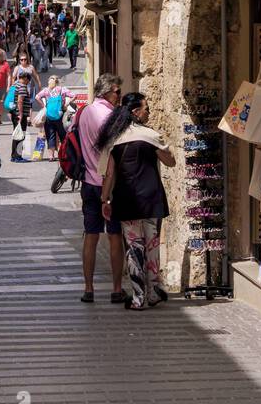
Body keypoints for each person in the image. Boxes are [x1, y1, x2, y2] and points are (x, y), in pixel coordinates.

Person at [98, 93, 176, 310]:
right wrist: (162, 147)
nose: (149, 112)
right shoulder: (150, 136)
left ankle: (138, 298)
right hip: (152, 199)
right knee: (152, 247)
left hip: (127, 199)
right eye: (146, 109)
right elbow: (170, 162)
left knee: (134, 248)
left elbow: (109, 174)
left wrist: (104, 200)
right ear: (135, 113)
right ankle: (153, 292)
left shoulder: (114, 139)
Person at [76, 74, 124, 304]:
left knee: (90, 236)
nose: (119, 96)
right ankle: (116, 288)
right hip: (109, 183)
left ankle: (88, 288)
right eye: (117, 92)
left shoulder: (84, 112)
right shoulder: (111, 116)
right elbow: (116, 152)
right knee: (115, 236)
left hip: (88, 181)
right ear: (106, 92)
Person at [10, 50, 41, 162]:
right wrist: (21, 115)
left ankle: (14, 156)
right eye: (28, 81)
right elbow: (20, 101)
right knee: (20, 135)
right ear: (26, 79)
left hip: (16, 114)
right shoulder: (22, 86)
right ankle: (17, 156)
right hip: (19, 115)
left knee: (16, 135)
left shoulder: (17, 84)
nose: (28, 83)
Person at [36, 75, 72, 160]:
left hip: (49, 115)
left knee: (50, 135)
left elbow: (37, 97)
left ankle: (51, 156)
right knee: (62, 135)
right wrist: (66, 104)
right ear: (57, 82)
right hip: (60, 116)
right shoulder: (62, 89)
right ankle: (64, 154)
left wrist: (44, 106)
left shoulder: (46, 90)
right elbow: (74, 96)